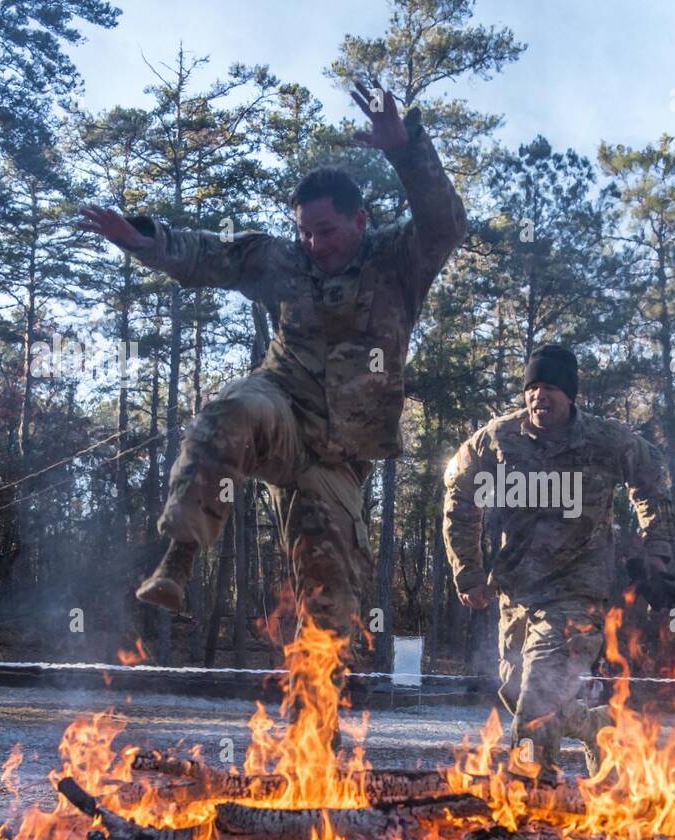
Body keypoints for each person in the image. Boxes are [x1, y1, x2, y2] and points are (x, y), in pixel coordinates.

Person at [78, 82, 467, 646]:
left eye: (326, 231)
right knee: (231, 409)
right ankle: (180, 557)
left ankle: (319, 721)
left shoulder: (397, 260)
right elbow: (208, 255)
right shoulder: (281, 260)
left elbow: (445, 223)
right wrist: (142, 238)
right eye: (304, 232)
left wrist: (405, 151)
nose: (314, 244)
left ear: (360, 220)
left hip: (339, 455)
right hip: (280, 412)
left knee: (330, 603)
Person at [442, 344, 675, 782]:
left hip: (577, 590)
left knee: (540, 690)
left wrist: (656, 552)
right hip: (517, 591)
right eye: (532, 388)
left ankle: (532, 783)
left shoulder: (606, 440)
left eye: (549, 388)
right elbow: (458, 494)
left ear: (570, 395)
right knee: (517, 688)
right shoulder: (497, 438)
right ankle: (600, 727)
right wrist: (468, 570)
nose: (538, 398)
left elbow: (650, 482)